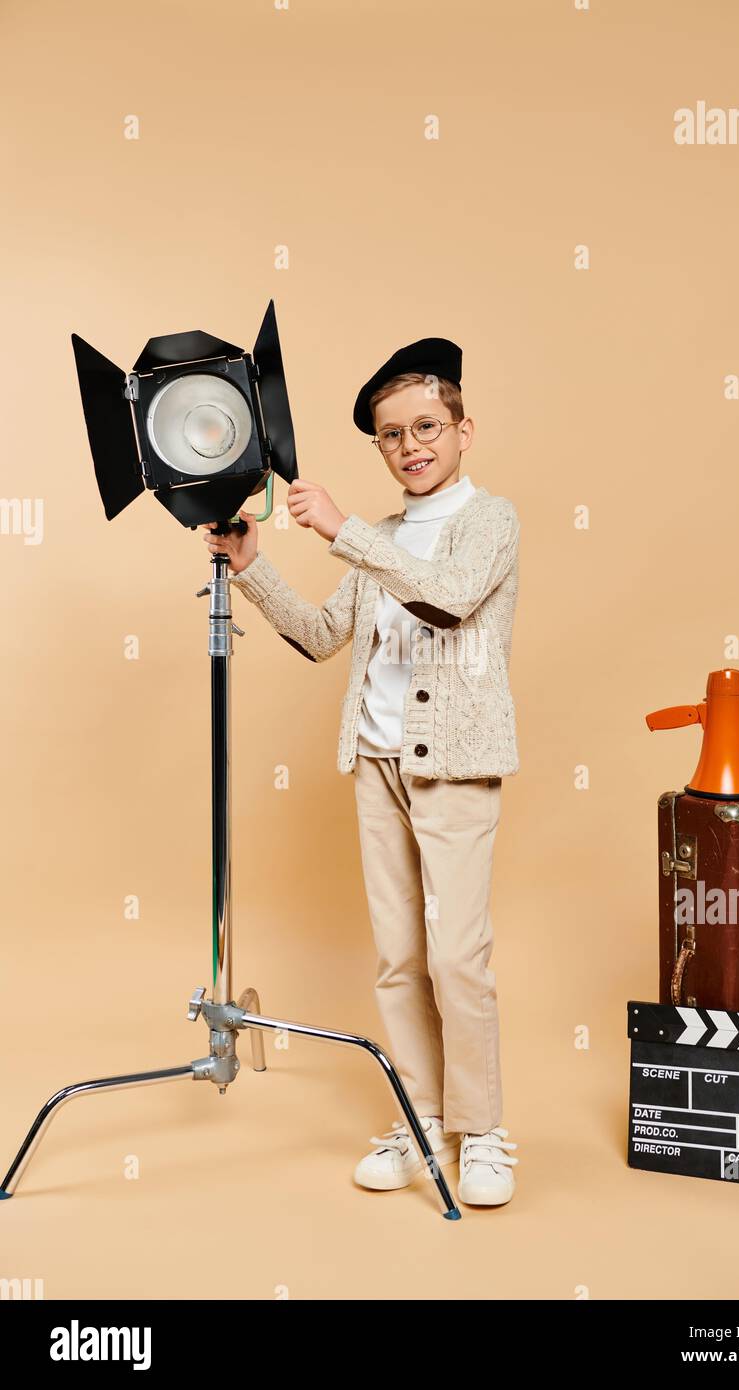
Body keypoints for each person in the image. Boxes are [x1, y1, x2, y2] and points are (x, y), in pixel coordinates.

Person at [202, 338, 520, 1206]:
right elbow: (318, 635)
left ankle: (482, 1130)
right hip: (375, 765)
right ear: (379, 448)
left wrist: (340, 531)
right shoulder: (378, 539)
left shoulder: (489, 522)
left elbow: (449, 597)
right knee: (399, 958)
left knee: (458, 957)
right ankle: (420, 1123)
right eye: (392, 434)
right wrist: (253, 567)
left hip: (454, 767)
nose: (411, 445)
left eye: (427, 426)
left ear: (462, 430)